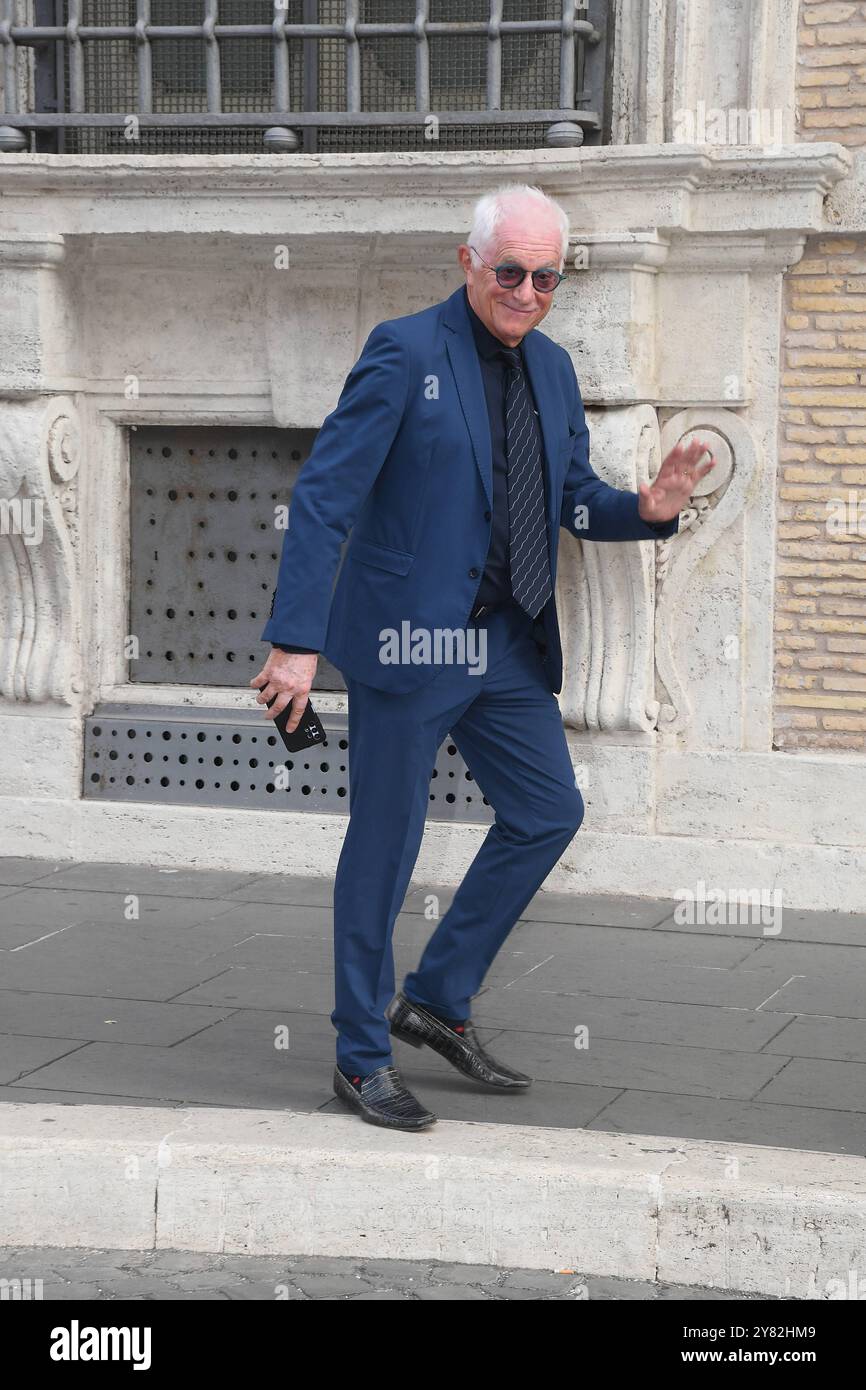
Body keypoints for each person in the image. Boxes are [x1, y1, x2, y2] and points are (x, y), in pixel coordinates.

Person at [251, 183, 714, 1131]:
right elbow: (327, 495)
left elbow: (574, 499)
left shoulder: (551, 367)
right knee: (387, 844)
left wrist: (648, 512)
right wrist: (295, 643)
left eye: (547, 275)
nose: (529, 290)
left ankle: (437, 996)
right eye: (511, 271)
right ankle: (359, 1053)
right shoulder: (403, 351)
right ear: (468, 263)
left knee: (549, 811)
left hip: (503, 640)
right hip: (410, 641)